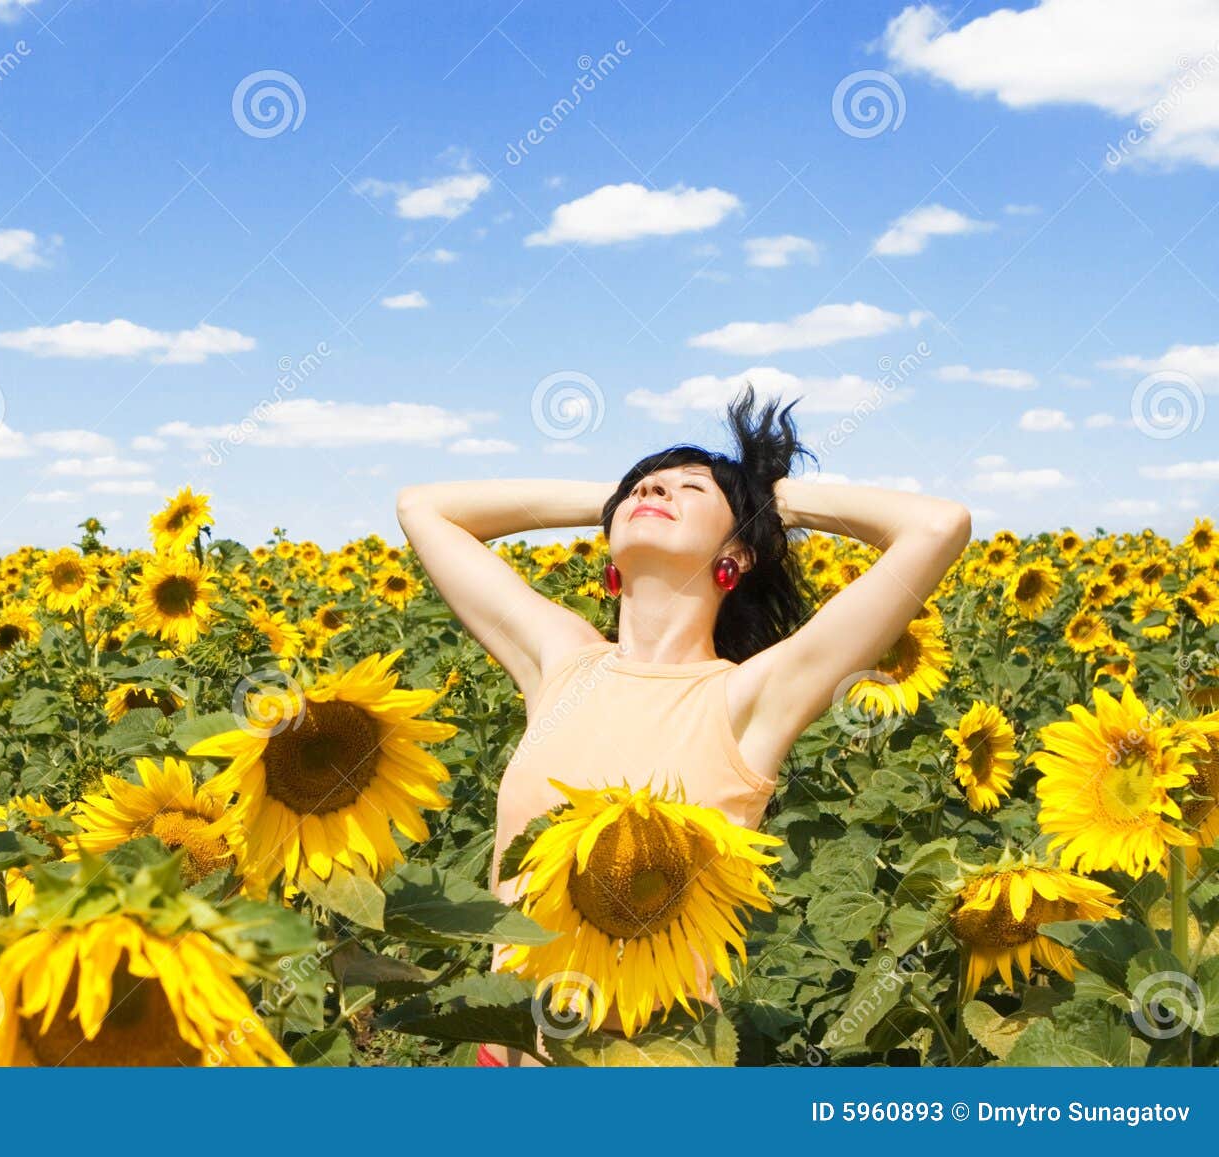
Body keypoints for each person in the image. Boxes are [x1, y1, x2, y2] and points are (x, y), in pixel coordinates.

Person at [395, 389, 972, 1065]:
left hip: (657, 1063)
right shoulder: (562, 663)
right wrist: (613, 498)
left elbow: (939, 526)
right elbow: (423, 509)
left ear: (740, 552)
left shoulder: (750, 697)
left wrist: (770, 499)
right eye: (644, 484)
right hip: (508, 1057)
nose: (655, 489)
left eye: (688, 488)